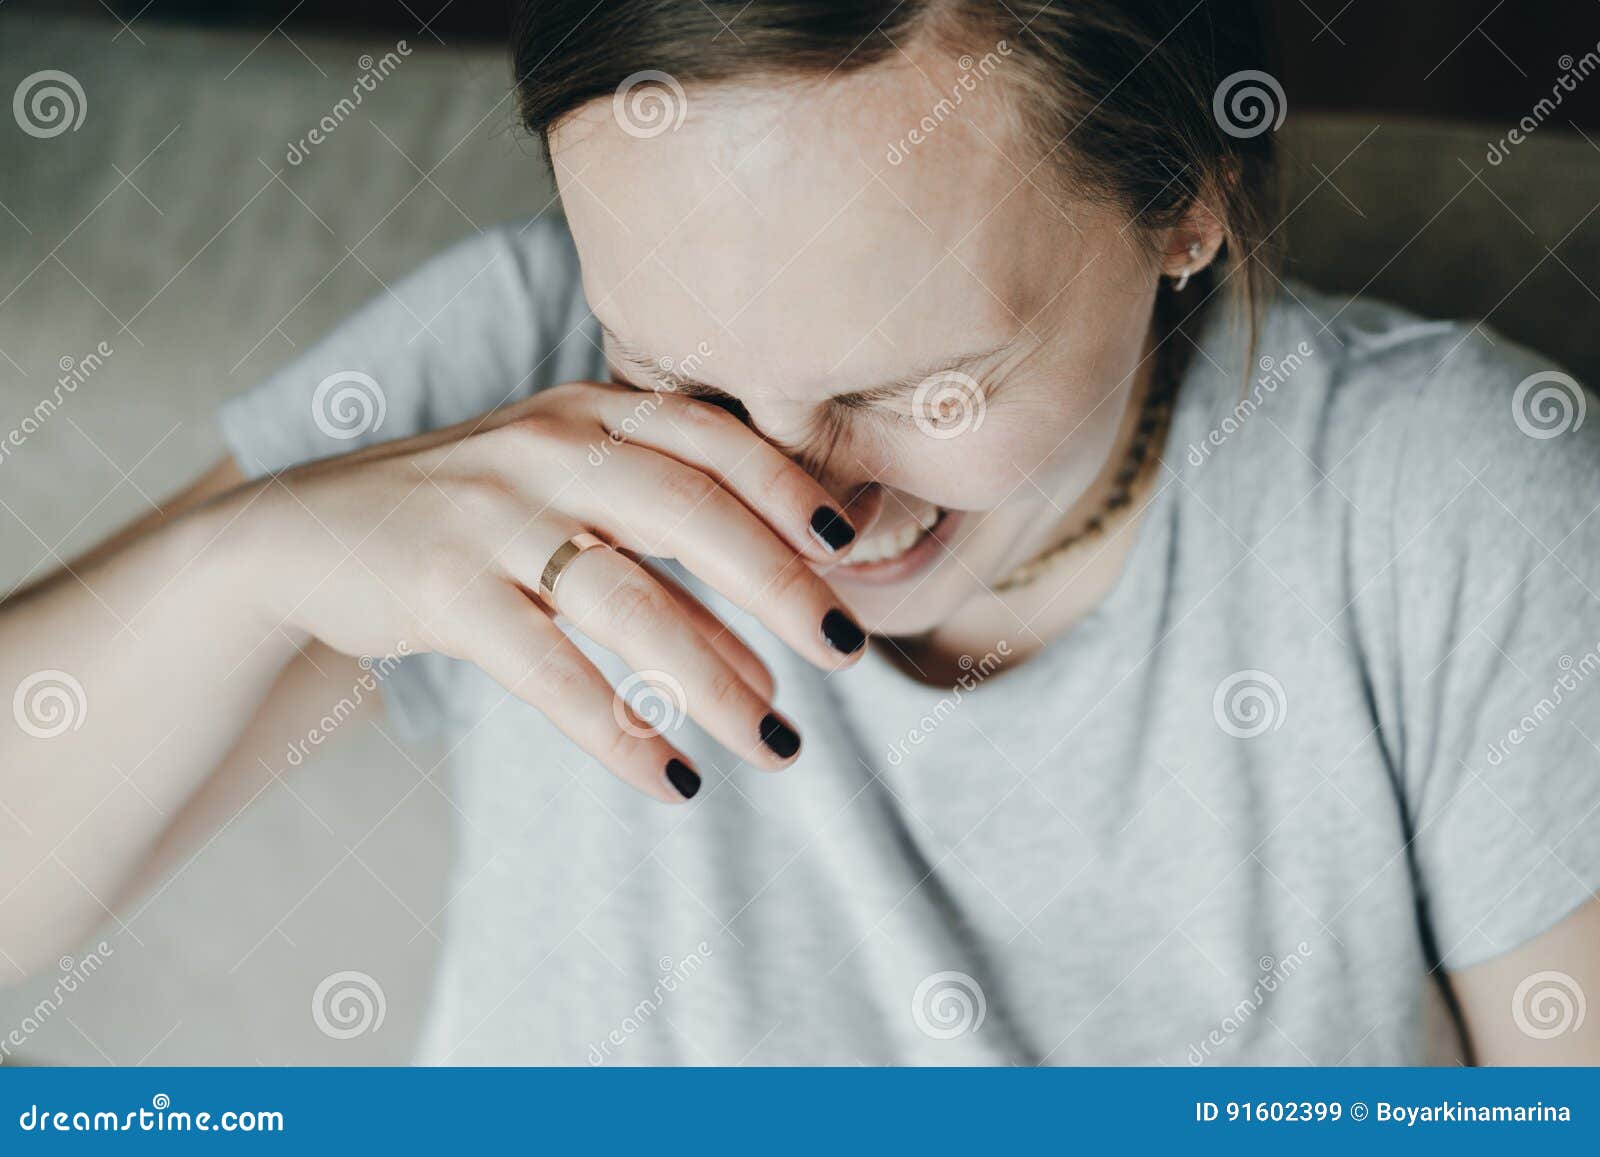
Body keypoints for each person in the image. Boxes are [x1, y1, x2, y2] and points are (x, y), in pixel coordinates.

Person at [2, 0, 1597, 1065]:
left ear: (1190, 200)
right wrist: (249, 558)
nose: (796, 502)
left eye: (927, 384)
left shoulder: (1451, 509)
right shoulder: (507, 368)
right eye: (674, 376)